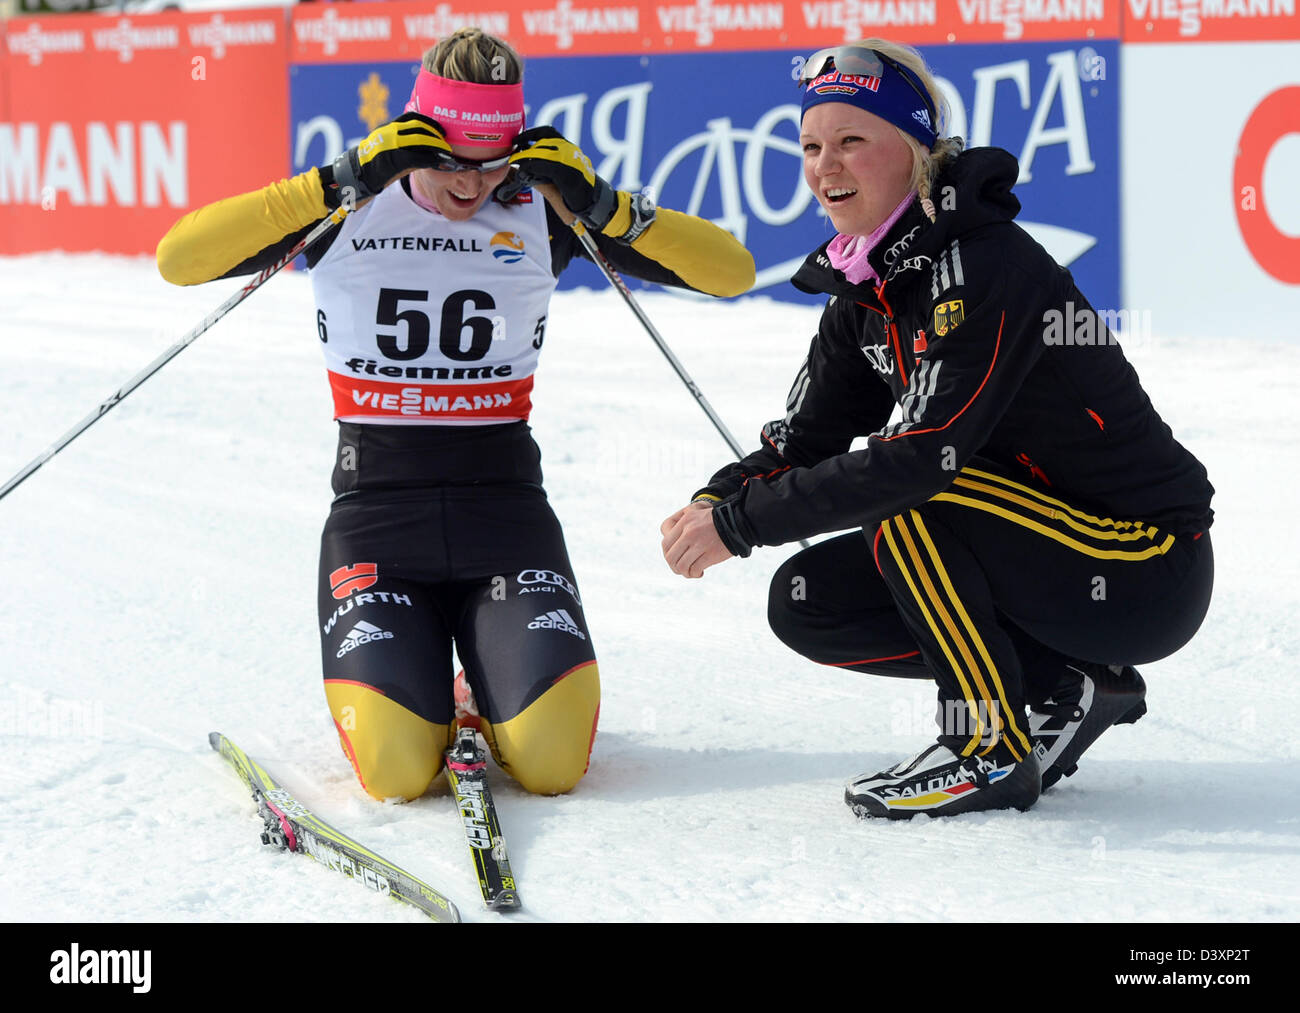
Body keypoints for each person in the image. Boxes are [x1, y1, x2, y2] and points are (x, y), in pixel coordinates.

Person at [158, 27, 755, 801]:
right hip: (378, 520)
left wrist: (603, 204)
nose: (472, 186)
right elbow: (178, 259)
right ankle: (423, 684)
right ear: (413, 137)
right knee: (400, 772)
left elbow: (733, 274)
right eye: (447, 161)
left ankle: (485, 686)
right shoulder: (351, 207)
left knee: (549, 765)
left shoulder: (540, 214)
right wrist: (329, 180)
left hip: (504, 519)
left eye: (493, 163)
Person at [659, 39, 1213, 820]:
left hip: (1145, 561)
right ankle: (1066, 682)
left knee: (906, 489)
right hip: (1035, 546)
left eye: (853, 141)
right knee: (808, 600)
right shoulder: (867, 286)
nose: (826, 167)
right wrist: (716, 499)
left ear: (917, 154)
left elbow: (921, 458)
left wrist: (742, 525)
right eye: (811, 146)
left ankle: (988, 746)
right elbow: (803, 441)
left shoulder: (989, 267)